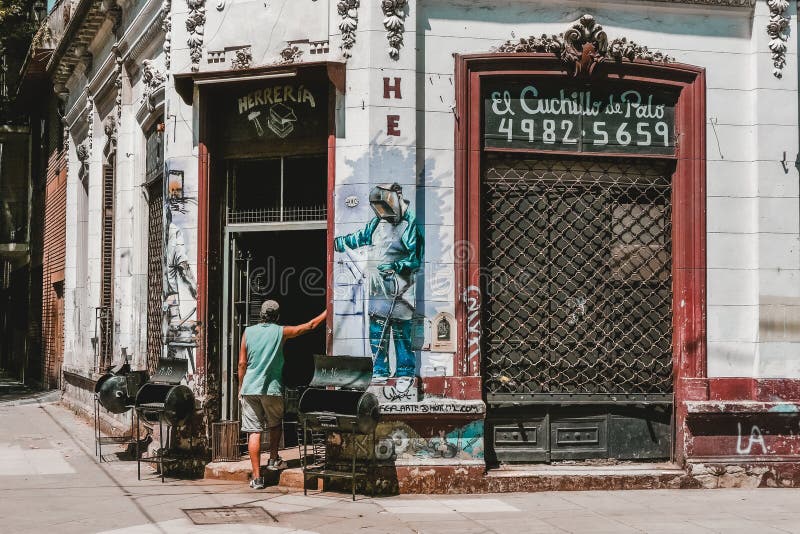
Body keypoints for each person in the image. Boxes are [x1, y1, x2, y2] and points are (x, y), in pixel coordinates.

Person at [333, 183, 423, 386]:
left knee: (401, 332)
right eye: (379, 209)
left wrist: (396, 265)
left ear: (396, 198)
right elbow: (360, 237)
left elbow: (415, 259)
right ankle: (380, 371)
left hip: (401, 288)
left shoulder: (410, 226)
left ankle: (405, 372)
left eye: (385, 207)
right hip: (377, 289)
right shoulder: (376, 224)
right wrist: (336, 242)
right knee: (377, 332)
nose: (383, 213)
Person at [238, 300, 327, 489]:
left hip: (250, 388)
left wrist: (241, 386)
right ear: (277, 316)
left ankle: (257, 478)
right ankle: (272, 459)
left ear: (260, 314)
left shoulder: (248, 332)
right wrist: (329, 310)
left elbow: (241, 363)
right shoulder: (280, 331)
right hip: (271, 388)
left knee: (254, 431)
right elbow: (310, 326)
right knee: (275, 424)